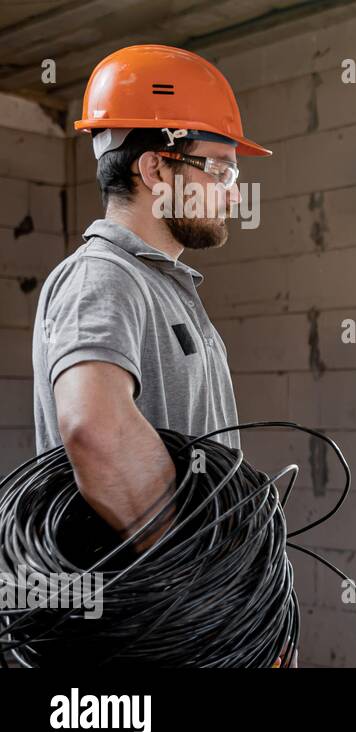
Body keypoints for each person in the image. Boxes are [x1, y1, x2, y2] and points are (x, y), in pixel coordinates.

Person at [32, 44, 270, 552]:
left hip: (201, 624)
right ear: (156, 170)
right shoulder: (103, 276)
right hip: (144, 626)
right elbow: (93, 427)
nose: (233, 193)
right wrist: (198, 580)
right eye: (221, 170)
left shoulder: (162, 285)